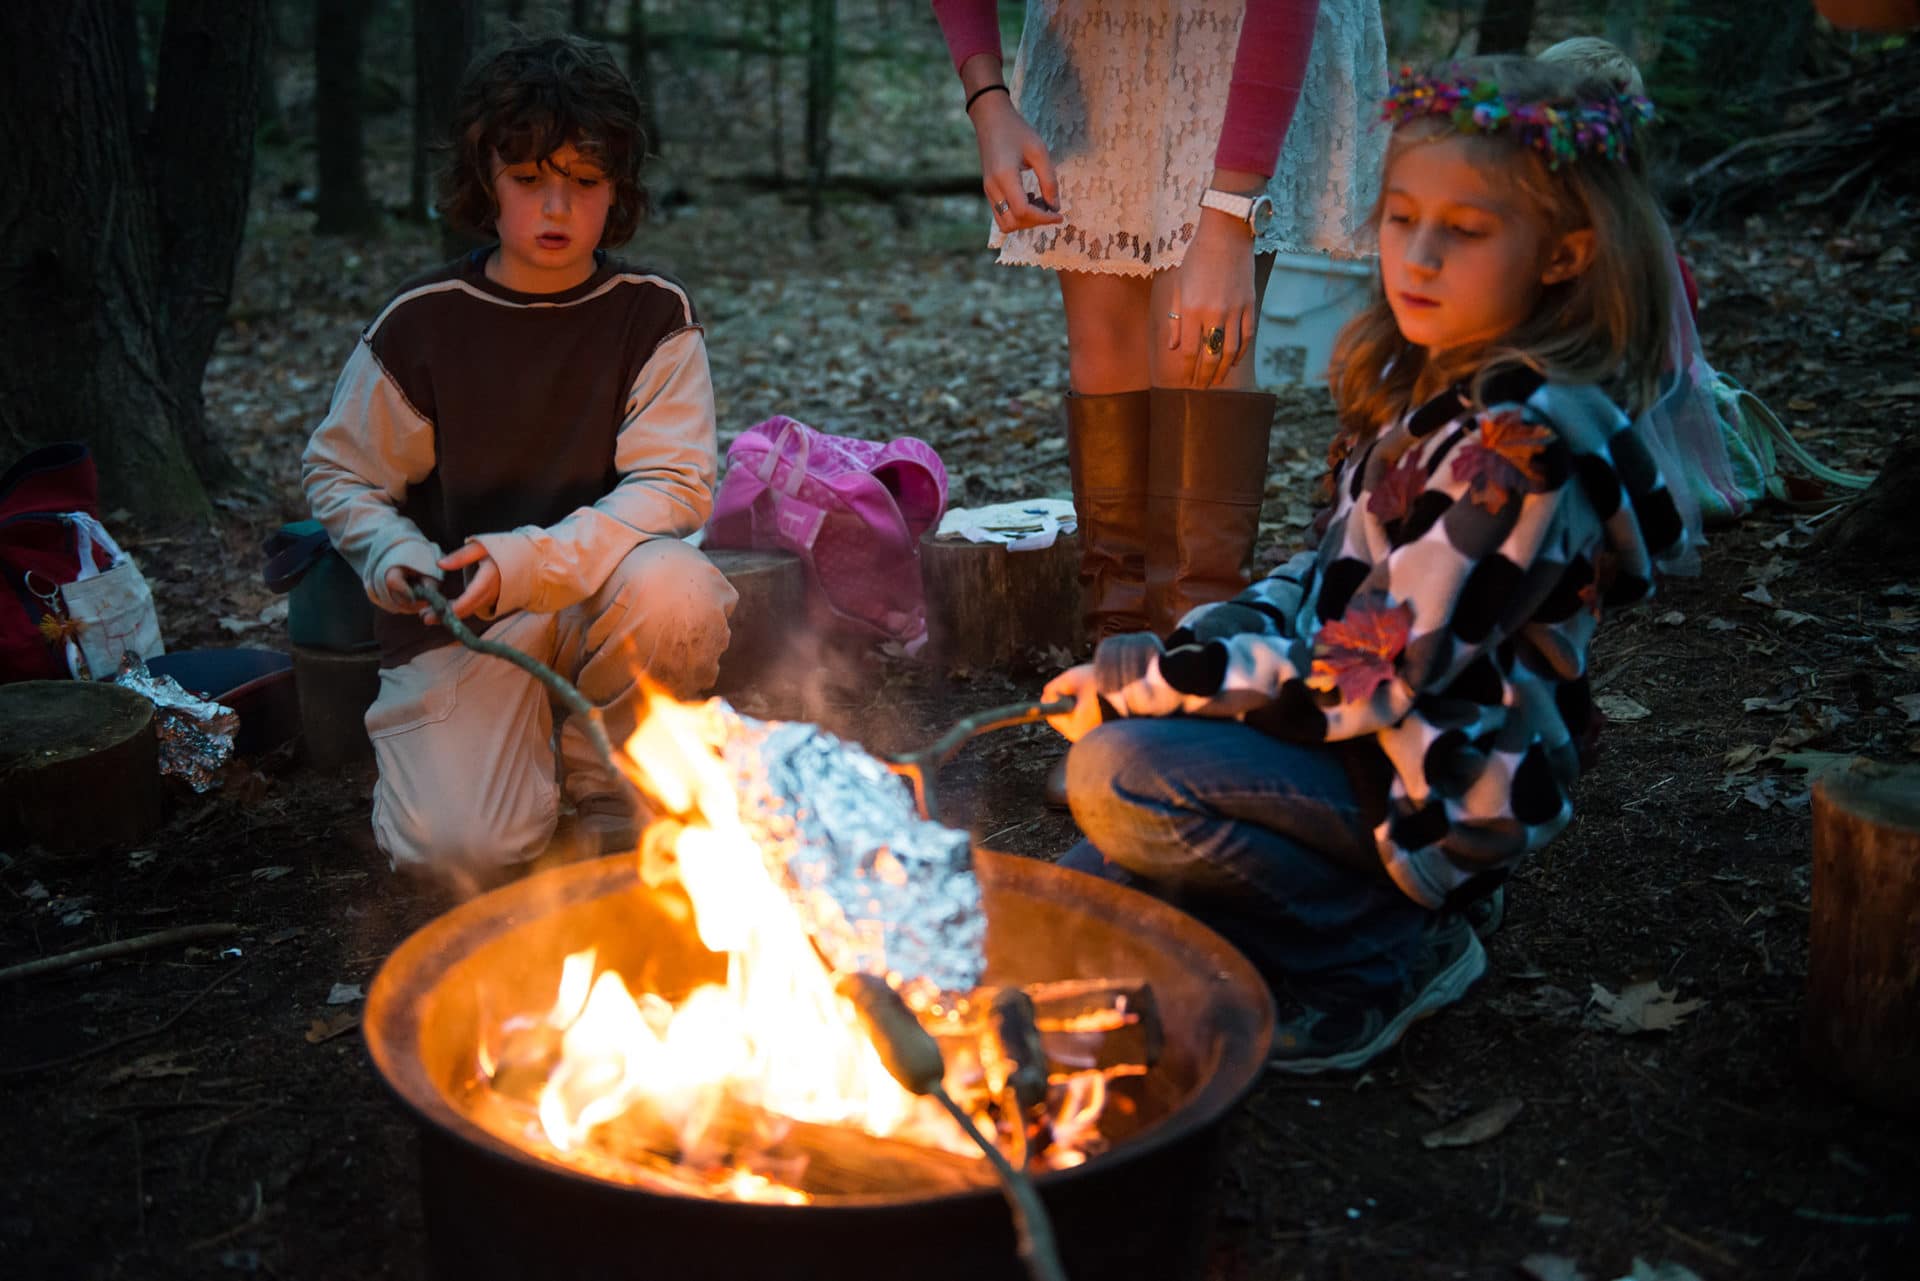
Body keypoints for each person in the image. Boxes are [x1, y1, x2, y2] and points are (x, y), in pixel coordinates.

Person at [1042, 56, 1690, 1074]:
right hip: (1364, 749)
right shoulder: (1433, 388)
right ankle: (1315, 906)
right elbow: (1325, 576)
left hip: (1442, 782)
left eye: (1464, 231)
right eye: (1400, 219)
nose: (1418, 257)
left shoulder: (1514, 451)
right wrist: (1192, 646)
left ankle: (1378, 951)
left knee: (1121, 777)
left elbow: (1368, 674)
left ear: (1564, 256)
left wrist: (1169, 692)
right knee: (1075, 897)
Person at [303, 34, 737, 885]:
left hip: (603, 597)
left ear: (618, 189)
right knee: (456, 849)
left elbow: (674, 483)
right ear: (486, 179)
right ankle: (509, 752)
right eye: (530, 178)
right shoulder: (424, 323)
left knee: (678, 587)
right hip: (467, 623)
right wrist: (392, 551)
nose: (556, 207)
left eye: (585, 180)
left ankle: (611, 782)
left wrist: (531, 561)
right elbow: (342, 473)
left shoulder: (651, 314)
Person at [930, 0, 1387, 644]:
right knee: (1106, 344)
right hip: (1096, 51)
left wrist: (1229, 218)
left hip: (1251, 47)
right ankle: (1117, 637)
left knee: (1193, 348)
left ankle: (1196, 642)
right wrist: (987, 101)